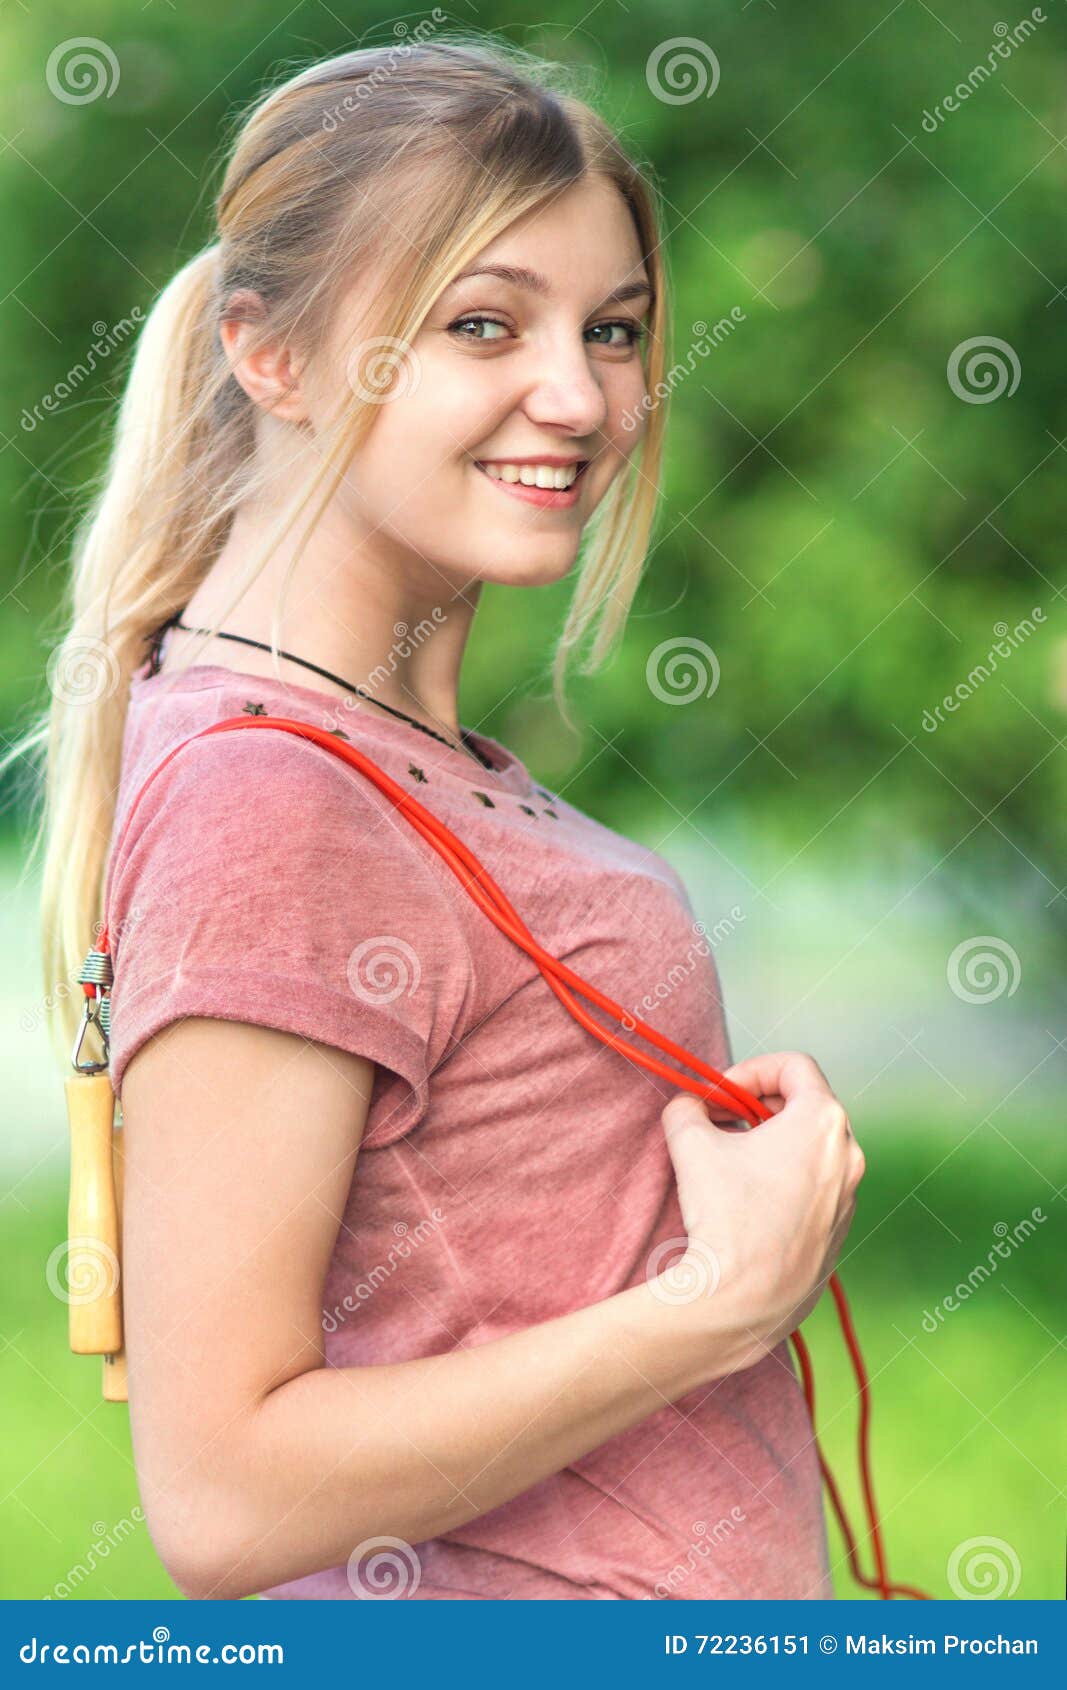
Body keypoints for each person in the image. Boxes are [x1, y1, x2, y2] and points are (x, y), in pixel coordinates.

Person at [25, 36, 864, 1601]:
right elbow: (224, 1492)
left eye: (613, 330)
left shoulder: (387, 751)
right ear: (266, 354)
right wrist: (715, 1302)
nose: (581, 395)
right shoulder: (270, 793)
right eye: (483, 324)